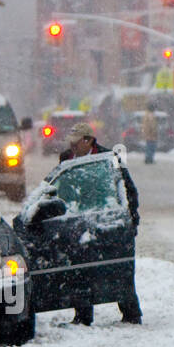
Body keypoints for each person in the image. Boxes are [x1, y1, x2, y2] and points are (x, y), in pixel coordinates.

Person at [58, 122, 143, 325]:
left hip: (107, 218)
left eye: (76, 143)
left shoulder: (109, 158)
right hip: (78, 220)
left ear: (88, 140)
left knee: (118, 268)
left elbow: (128, 188)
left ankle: (131, 313)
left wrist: (132, 218)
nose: (73, 147)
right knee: (80, 269)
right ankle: (83, 315)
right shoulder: (66, 159)